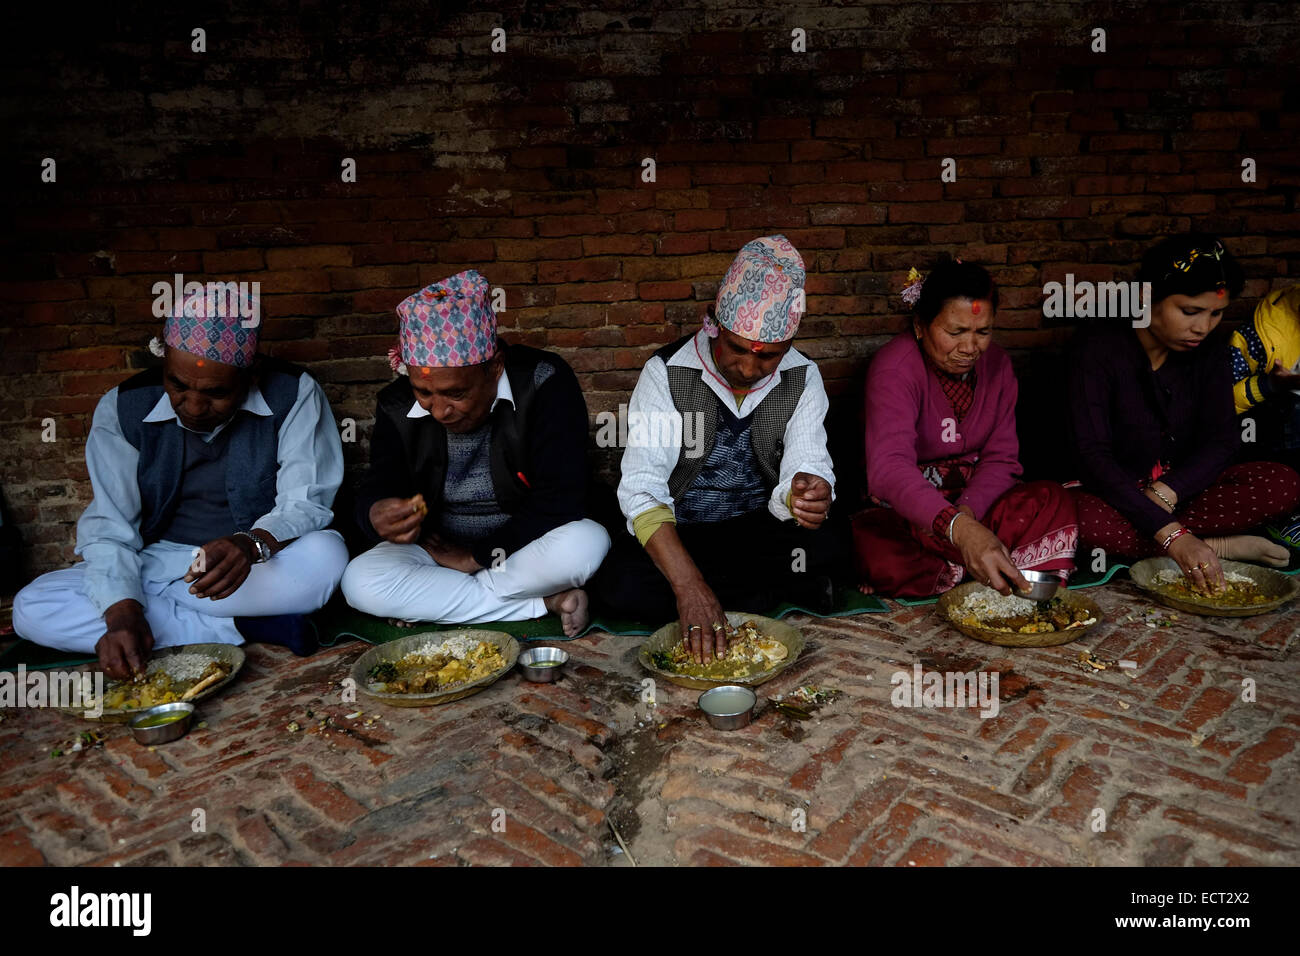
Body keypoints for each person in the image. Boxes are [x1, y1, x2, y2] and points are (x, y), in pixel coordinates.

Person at [13, 289, 348, 679]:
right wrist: (122, 609)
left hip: (252, 565)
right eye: (178, 385)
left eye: (215, 393)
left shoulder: (294, 392)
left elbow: (307, 501)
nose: (192, 406)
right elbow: (109, 527)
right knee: (31, 608)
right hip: (159, 562)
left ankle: (163, 615)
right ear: (164, 365)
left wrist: (251, 543)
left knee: (326, 557)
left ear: (251, 375)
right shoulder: (122, 408)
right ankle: (240, 626)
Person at [591, 235, 838, 664]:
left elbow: (807, 459)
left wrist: (806, 492)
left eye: (768, 357)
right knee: (619, 584)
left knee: (833, 542)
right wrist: (689, 585)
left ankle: (722, 589)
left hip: (754, 529)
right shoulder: (665, 372)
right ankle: (722, 589)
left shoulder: (803, 377)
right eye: (737, 348)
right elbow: (642, 487)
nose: (747, 367)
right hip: (683, 533)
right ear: (713, 323)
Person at [340, 270, 609, 637]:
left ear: (494, 367)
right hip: (437, 552)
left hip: (523, 549)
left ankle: (439, 603)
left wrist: (475, 558)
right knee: (360, 581)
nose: (439, 411)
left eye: (456, 393)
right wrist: (376, 512)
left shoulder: (544, 381)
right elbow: (381, 481)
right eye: (424, 392)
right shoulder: (396, 404)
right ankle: (544, 602)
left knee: (587, 543)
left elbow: (562, 496)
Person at [1066, 234, 1300, 590]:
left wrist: (1169, 491)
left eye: (1215, 314)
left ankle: (1176, 543)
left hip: (1179, 492)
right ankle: (1217, 545)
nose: (1202, 327)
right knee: (1077, 519)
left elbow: (1222, 440)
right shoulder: (1096, 349)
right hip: (1112, 494)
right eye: (1190, 312)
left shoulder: (1209, 353)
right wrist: (1172, 534)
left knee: (1282, 483)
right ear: (1146, 298)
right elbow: (1092, 456)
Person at [853, 259, 1078, 598]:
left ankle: (971, 566)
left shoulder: (998, 366)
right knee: (878, 550)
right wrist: (958, 529)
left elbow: (1002, 459)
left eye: (982, 332)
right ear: (920, 325)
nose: (971, 348)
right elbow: (890, 470)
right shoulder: (895, 369)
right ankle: (991, 567)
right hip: (913, 515)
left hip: (978, 508)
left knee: (1053, 499)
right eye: (955, 332)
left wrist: (969, 515)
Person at [1229, 282, 1300, 548]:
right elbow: (1220, 403)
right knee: (1294, 404)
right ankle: (1285, 515)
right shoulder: (1260, 333)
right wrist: (1270, 385)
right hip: (1262, 437)